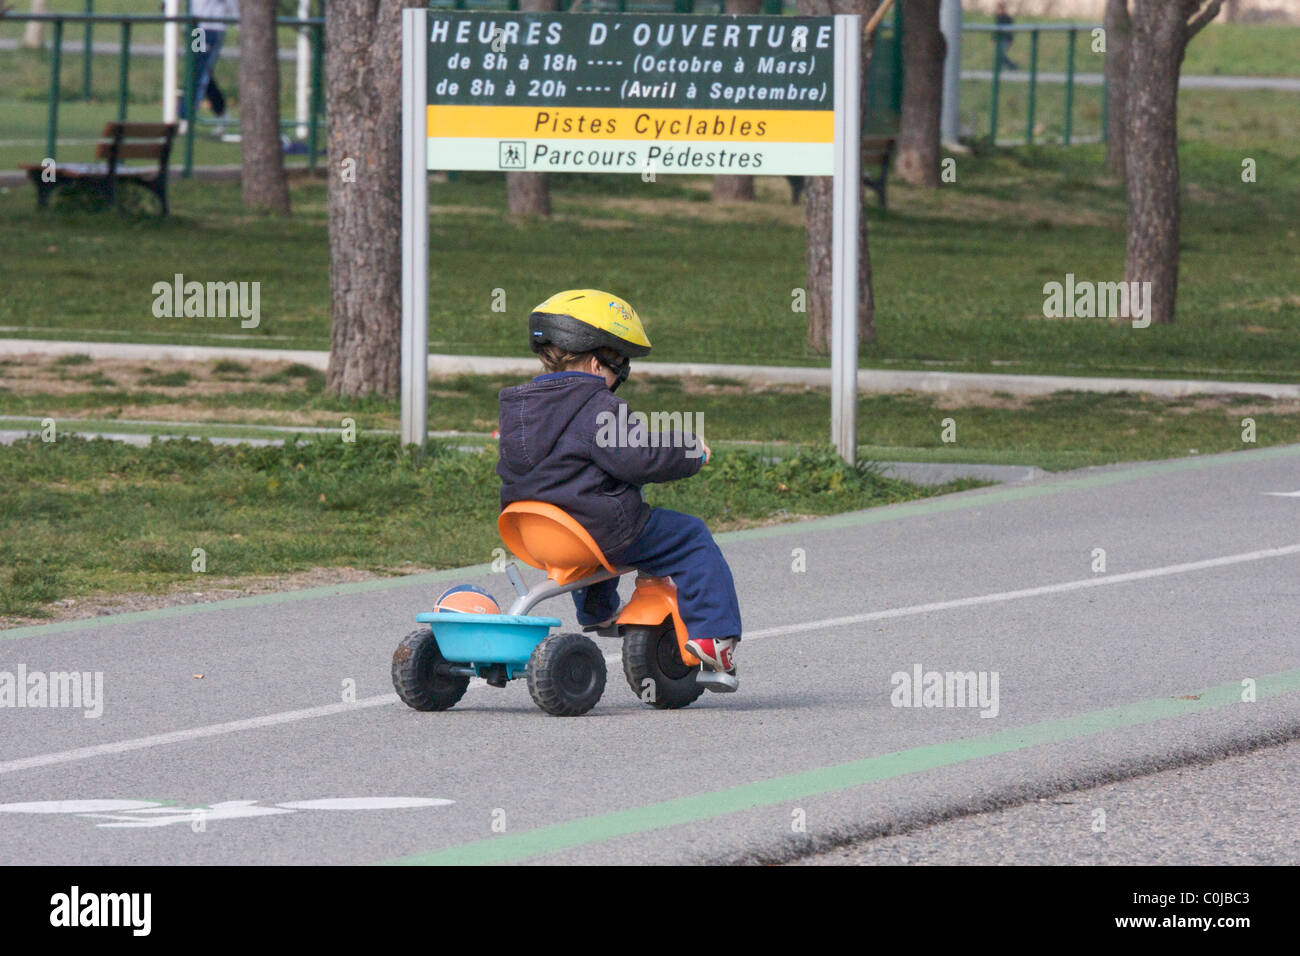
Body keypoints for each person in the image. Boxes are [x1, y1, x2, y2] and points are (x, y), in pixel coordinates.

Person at [496, 290, 742, 674]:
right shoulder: (598, 406)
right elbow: (637, 457)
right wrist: (689, 451)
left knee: (585, 506)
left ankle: (598, 612)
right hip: (596, 531)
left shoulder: (518, 406)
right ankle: (714, 637)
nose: (619, 379)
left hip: (533, 533)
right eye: (620, 367)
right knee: (689, 537)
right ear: (597, 364)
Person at [180, 0, 239, 135]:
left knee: (200, 71)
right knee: (197, 71)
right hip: (197, 29)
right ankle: (221, 113)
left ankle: (186, 116)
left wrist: (239, 23)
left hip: (213, 28)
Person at [994, 1, 1019, 71]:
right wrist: (993, 39)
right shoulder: (997, 17)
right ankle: (1012, 66)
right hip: (999, 39)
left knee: (1000, 55)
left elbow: (1011, 31)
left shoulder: (1008, 18)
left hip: (1005, 39)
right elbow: (995, 29)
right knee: (1000, 55)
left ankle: (1012, 66)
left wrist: (1010, 41)